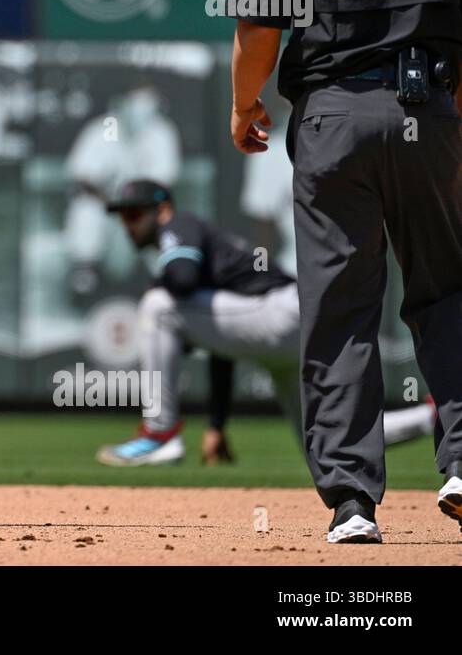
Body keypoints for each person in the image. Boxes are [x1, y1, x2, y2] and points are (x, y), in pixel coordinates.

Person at [230, 0, 462, 544]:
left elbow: (260, 19)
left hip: (334, 116)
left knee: (340, 309)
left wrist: (243, 104)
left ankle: (353, 503)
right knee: (447, 291)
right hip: (432, 111)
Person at [94, 180, 436, 467]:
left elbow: (181, 280)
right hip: (294, 320)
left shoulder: (178, 225)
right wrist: (216, 424)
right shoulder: (195, 252)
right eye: (123, 217)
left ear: (163, 209)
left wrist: (157, 287)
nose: (129, 224)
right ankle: (433, 416)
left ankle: (160, 432)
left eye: (135, 214)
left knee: (157, 306)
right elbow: (221, 344)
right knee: (323, 445)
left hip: (281, 312)